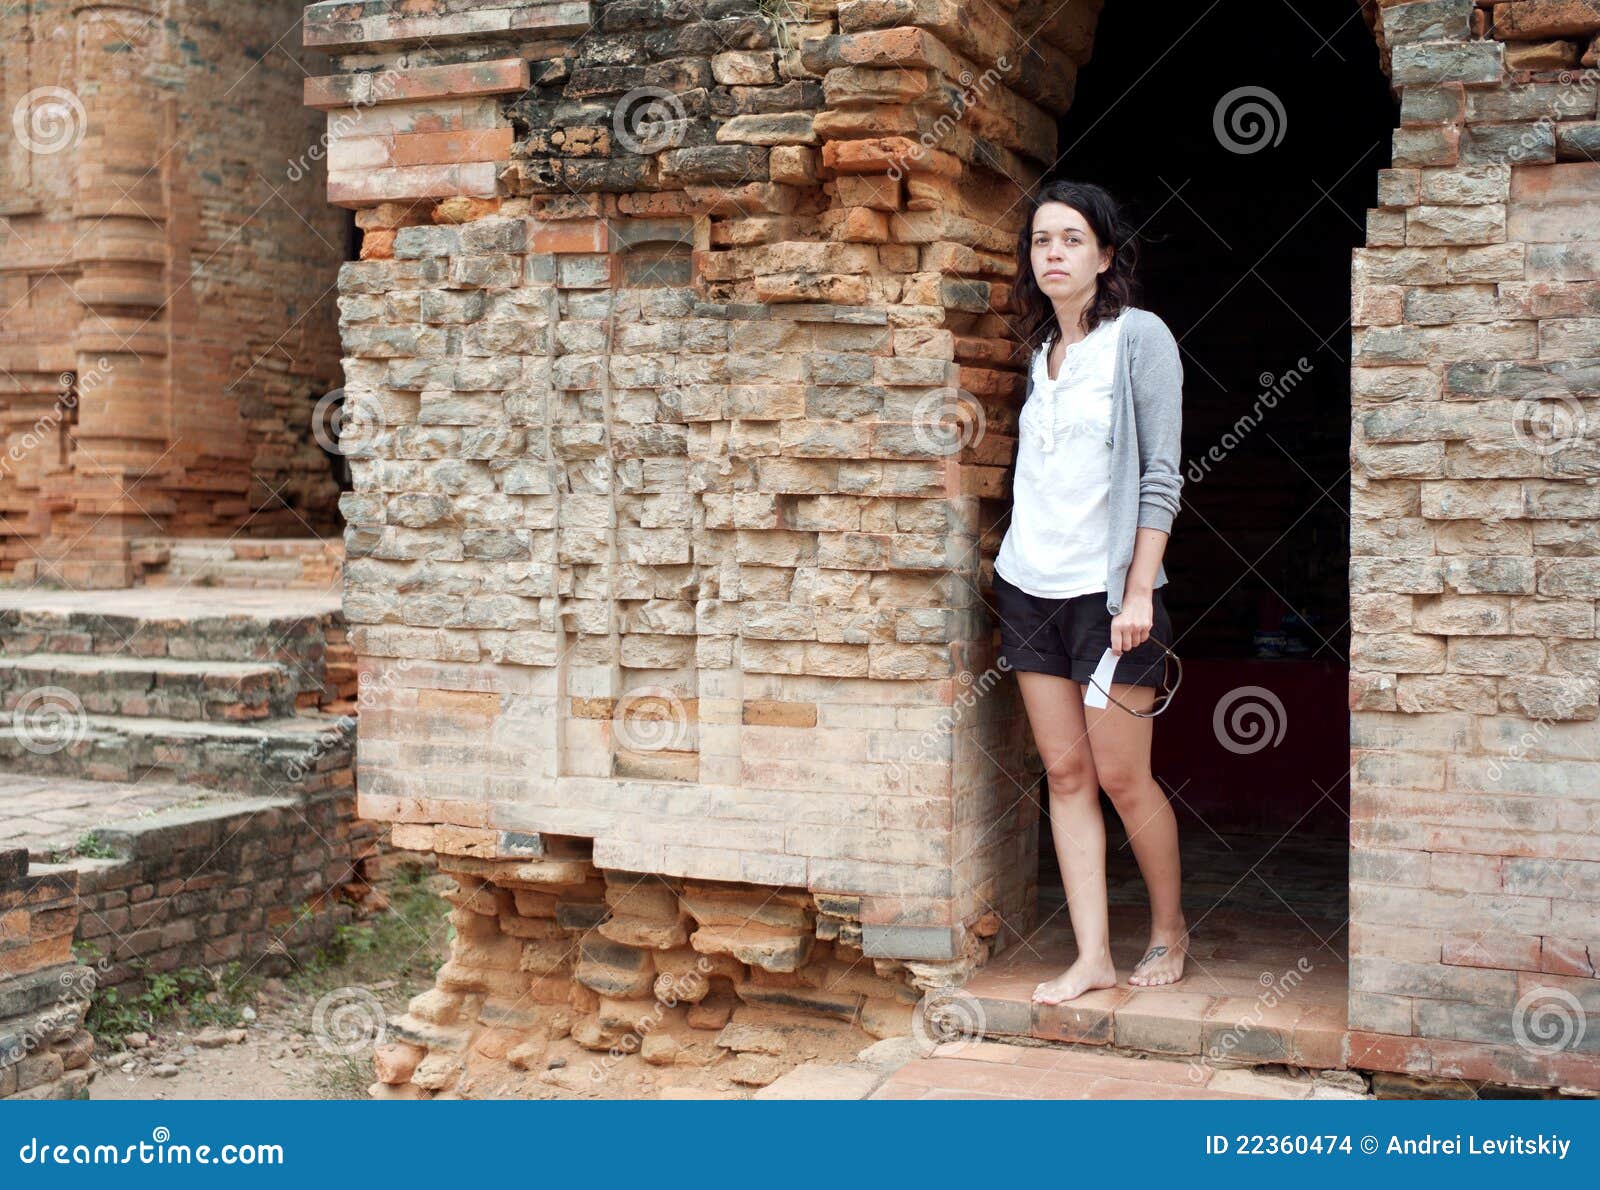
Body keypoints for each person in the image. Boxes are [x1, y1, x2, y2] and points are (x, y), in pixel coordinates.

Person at [992, 179, 1187, 1004]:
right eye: (1042, 241)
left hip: (1108, 599)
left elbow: (1160, 475)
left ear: (1105, 256)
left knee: (1120, 776)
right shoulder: (1043, 356)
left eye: (1071, 239)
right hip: (1028, 586)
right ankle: (1093, 957)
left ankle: (1170, 928)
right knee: (1064, 778)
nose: (1054, 254)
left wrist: (1138, 591)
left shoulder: (1139, 339)